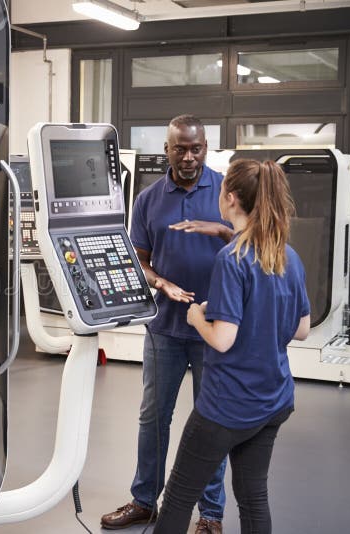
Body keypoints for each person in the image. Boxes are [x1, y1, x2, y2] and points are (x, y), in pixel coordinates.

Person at [153, 159, 311, 534]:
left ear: (231, 199)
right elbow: (302, 329)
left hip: (227, 407)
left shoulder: (232, 258)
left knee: (178, 497)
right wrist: (256, 322)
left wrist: (197, 319)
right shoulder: (288, 255)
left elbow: (223, 340)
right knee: (253, 495)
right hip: (273, 401)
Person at [101, 115, 233, 534]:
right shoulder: (148, 199)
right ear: (167, 149)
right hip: (165, 328)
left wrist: (221, 230)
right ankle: (144, 501)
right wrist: (162, 282)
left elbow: (255, 243)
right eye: (181, 148)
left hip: (217, 328)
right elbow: (139, 261)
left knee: (212, 420)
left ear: (206, 147)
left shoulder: (228, 193)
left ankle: (210, 514)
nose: (189, 156)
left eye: (196, 148)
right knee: (153, 418)